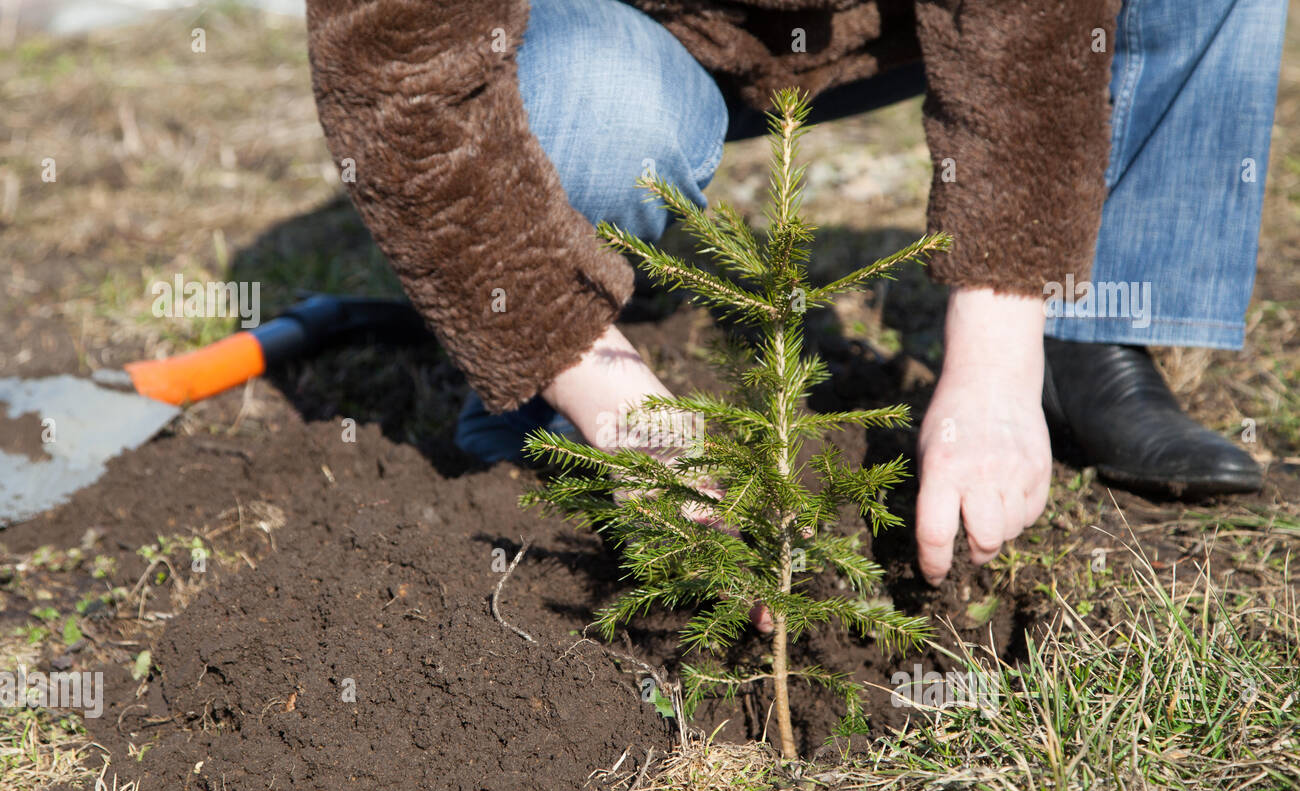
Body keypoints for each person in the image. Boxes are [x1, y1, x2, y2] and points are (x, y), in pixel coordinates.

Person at [304, 0, 1286, 586]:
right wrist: (600, 386)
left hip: (892, 19)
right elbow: (398, 69)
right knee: (593, 118)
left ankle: (1086, 317)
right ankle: (550, 353)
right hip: (636, 37)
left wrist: (995, 353)